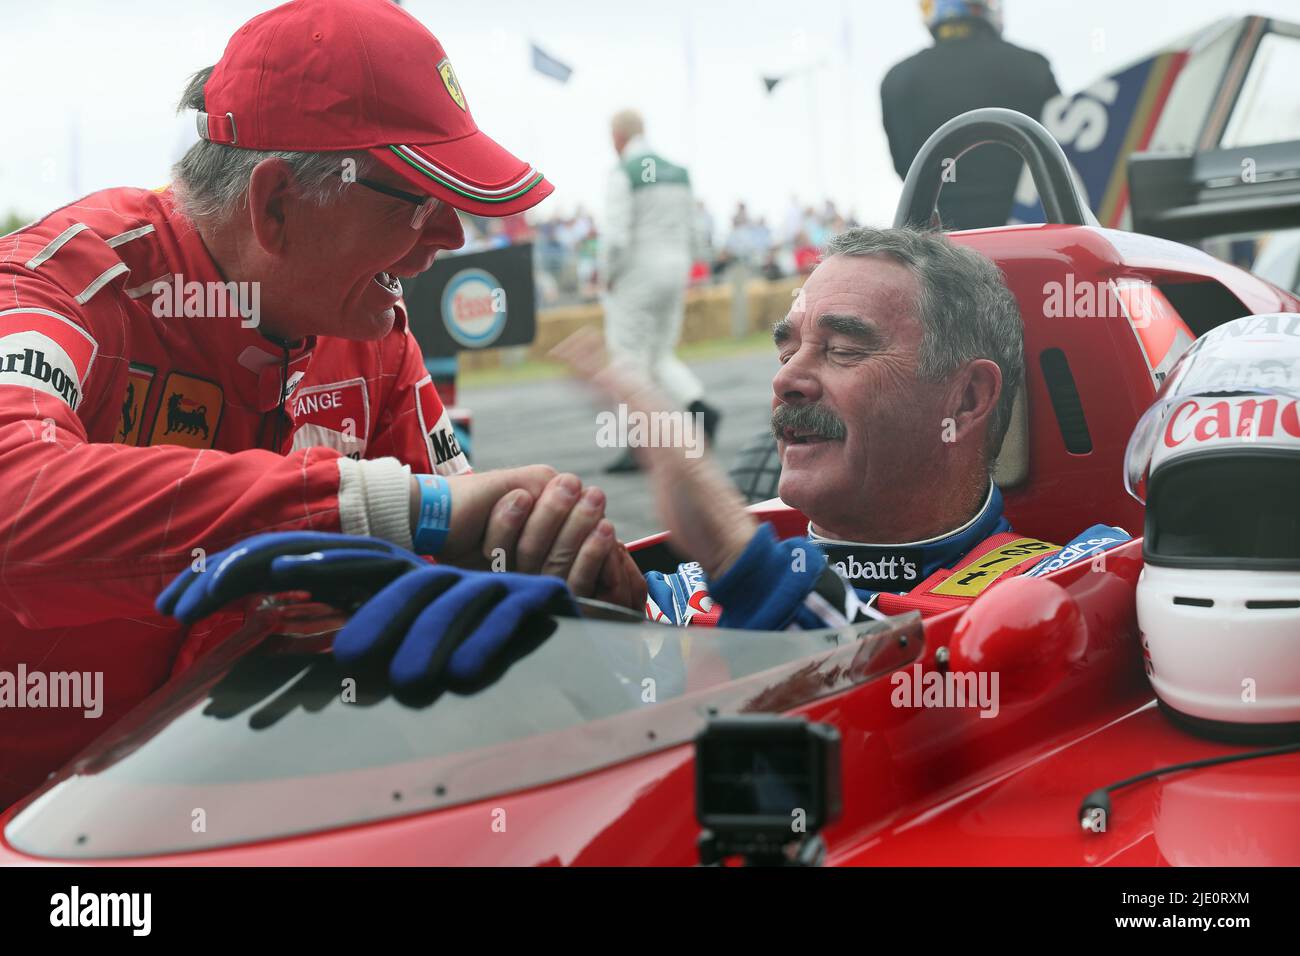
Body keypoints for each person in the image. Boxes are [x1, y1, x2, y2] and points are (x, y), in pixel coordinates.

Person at [0, 0, 641, 810]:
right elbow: (11, 497)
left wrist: (558, 567)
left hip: (231, 816)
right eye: (416, 197)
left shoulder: (373, 334)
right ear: (273, 203)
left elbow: (456, 553)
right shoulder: (61, 282)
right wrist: (368, 504)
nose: (451, 235)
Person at [599, 109, 720, 472]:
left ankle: (639, 445)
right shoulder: (678, 171)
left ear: (618, 137)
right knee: (660, 354)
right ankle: (700, 409)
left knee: (628, 357)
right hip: (676, 268)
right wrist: (697, 263)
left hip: (638, 271)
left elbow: (617, 236)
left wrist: (607, 274)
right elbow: (695, 230)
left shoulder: (623, 172)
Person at [880, 1, 1060, 230]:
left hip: (942, 250)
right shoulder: (1034, 67)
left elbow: (905, 168)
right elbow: (1061, 157)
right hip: (1032, 239)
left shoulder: (897, 80)